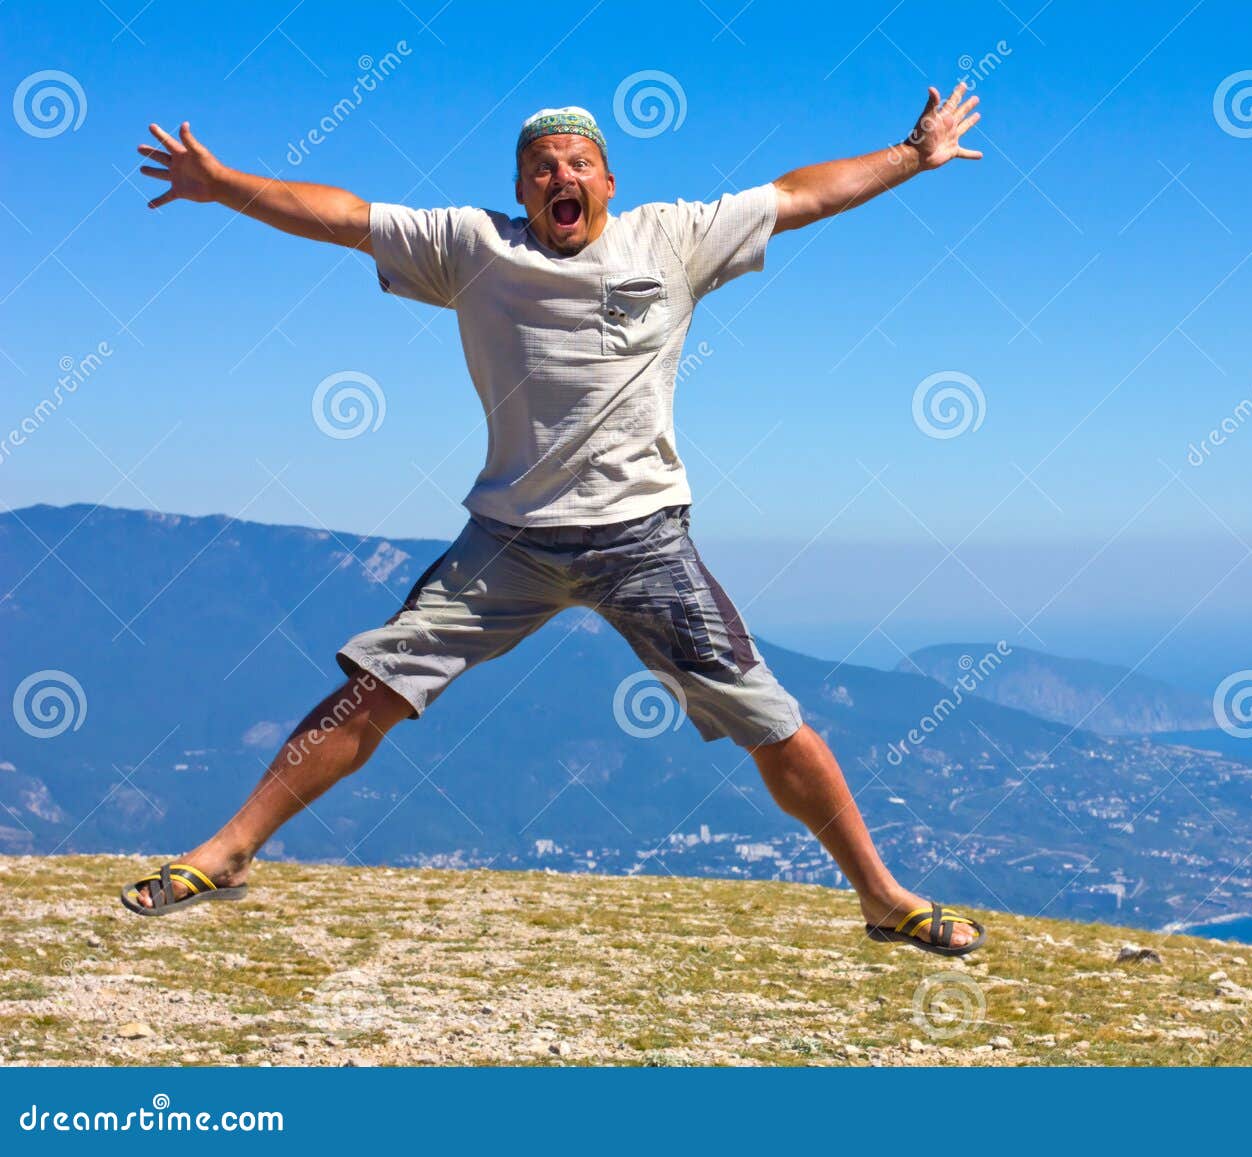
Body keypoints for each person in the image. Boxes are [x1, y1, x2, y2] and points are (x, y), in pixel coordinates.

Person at [121, 87, 986, 957]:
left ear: (609, 180)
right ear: (523, 189)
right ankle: (228, 851)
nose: (559, 176)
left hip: (641, 540)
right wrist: (221, 182)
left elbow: (799, 195)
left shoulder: (675, 236)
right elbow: (346, 217)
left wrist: (912, 154)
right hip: (509, 539)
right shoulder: (475, 247)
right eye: (541, 167)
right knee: (375, 684)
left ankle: (882, 896)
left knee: (768, 715)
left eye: (576, 163)